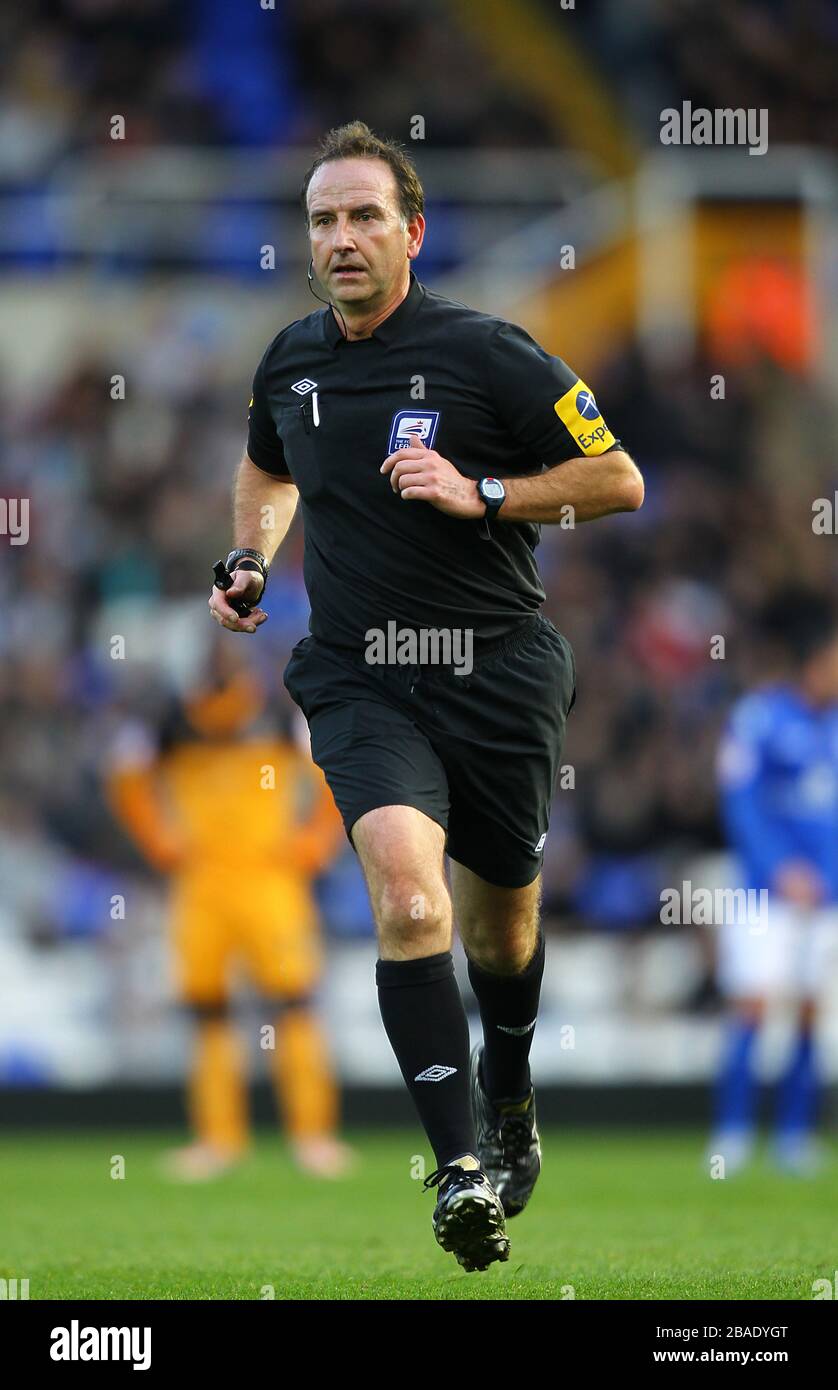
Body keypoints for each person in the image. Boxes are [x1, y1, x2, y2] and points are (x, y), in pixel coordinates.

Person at [209, 120, 643, 1269]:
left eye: (362, 217)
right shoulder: (290, 362)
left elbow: (617, 478)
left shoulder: (489, 352)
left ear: (411, 231)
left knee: (501, 929)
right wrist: (251, 558)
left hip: (497, 669)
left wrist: (481, 488)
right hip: (360, 677)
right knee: (409, 903)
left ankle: (509, 1091)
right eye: (321, 220)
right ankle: (458, 1171)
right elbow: (265, 469)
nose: (340, 239)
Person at [107, 640, 351, 1180]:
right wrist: (158, 841)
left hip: (269, 879)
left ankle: (312, 1136)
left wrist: (316, 843)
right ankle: (219, 1140)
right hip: (203, 884)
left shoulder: (277, 715)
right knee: (209, 1011)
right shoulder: (168, 719)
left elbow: (331, 772)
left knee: (294, 1005)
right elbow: (126, 779)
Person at [713, 587, 838, 1176]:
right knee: (755, 1009)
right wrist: (779, 870)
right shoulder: (760, 718)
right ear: (810, 661)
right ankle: (731, 1136)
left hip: (828, 898)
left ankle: (794, 1137)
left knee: (812, 1011)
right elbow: (740, 807)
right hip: (766, 897)